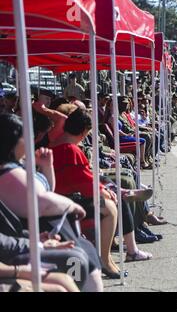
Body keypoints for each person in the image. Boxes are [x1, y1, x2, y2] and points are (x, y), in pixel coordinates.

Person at [0, 113, 103, 291]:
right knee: (76, 261)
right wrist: (72, 206)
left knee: (84, 255)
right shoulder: (8, 173)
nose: (31, 139)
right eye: (25, 136)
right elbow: (40, 202)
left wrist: (46, 166)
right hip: (46, 229)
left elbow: (48, 189)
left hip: (53, 230)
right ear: (13, 141)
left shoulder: (20, 165)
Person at [51, 108, 152, 278]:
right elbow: (83, 181)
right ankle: (105, 259)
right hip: (67, 199)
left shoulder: (59, 143)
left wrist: (103, 189)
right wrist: (102, 191)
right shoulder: (71, 150)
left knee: (115, 196)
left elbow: (82, 177)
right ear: (84, 131)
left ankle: (115, 255)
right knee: (110, 207)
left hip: (64, 195)